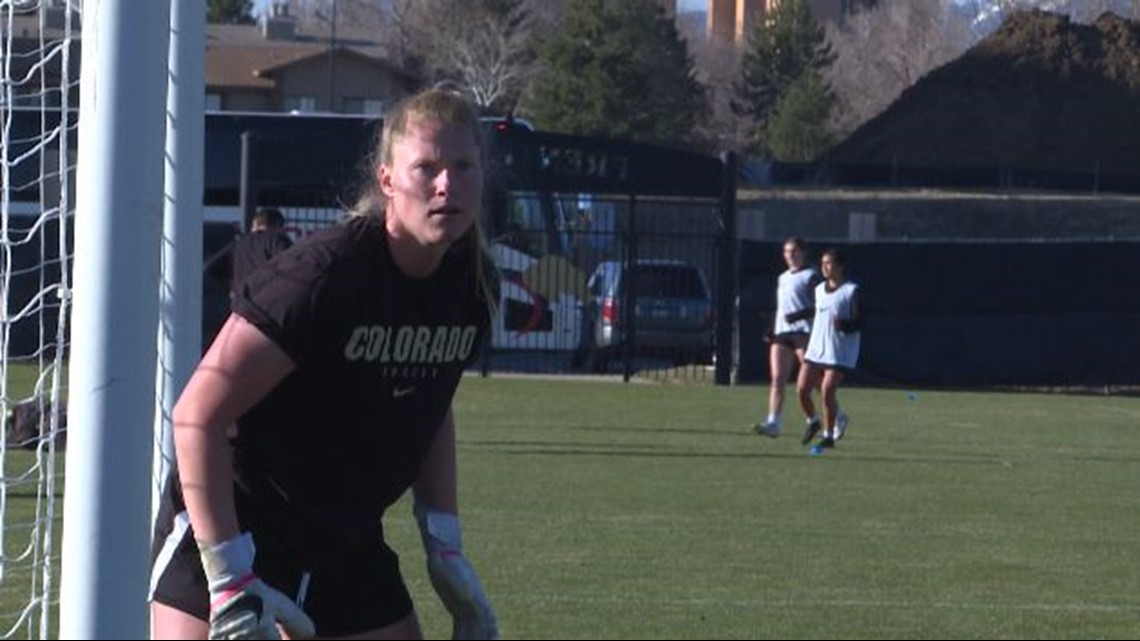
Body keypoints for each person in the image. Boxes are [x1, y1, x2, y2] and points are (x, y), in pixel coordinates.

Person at [149, 88, 500, 640]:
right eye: (426, 167)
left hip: (343, 536)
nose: (446, 185)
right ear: (387, 181)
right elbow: (196, 415)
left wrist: (444, 544)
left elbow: (431, 402)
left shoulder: (471, 285)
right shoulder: (324, 277)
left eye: (463, 166)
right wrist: (228, 575)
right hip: (237, 518)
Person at [754, 237, 820, 438]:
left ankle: (837, 415)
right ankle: (774, 422)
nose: (790, 255)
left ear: (803, 252)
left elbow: (821, 306)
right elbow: (783, 307)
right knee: (777, 379)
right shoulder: (782, 277)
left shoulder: (811, 275)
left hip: (803, 333)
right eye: (786, 251)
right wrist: (772, 327)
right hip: (782, 334)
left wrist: (799, 316)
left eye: (794, 251)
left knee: (815, 380)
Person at [797, 247, 862, 450]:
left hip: (839, 351)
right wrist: (795, 316)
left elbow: (860, 321)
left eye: (829, 263)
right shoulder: (818, 289)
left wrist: (844, 325)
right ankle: (813, 422)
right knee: (802, 389)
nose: (825, 267)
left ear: (840, 266)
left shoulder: (851, 291)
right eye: (823, 263)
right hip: (816, 348)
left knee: (827, 390)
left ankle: (828, 435)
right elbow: (817, 311)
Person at [204, 206, 295, 301]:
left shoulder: (237, 244)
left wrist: (231, 288)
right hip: (268, 303)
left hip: (241, 305)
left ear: (255, 224)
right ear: (278, 225)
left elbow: (209, 268)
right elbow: (292, 265)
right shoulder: (277, 240)